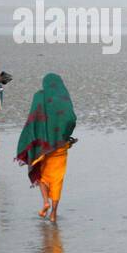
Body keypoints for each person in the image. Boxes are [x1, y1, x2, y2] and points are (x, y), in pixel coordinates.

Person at [15, 73, 76, 222]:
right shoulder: (64, 98)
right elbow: (71, 119)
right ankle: (54, 213)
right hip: (60, 147)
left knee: (40, 174)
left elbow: (33, 119)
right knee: (57, 180)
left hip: (43, 146)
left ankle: (45, 202)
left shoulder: (39, 97)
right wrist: (66, 136)